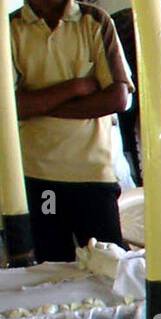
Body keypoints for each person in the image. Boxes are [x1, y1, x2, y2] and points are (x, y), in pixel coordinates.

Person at [9, 0, 133, 263]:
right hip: (40, 176)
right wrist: (75, 88)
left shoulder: (94, 21)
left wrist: (40, 106)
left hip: (93, 174)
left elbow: (118, 98)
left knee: (108, 267)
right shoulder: (10, 27)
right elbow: (8, 107)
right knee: (51, 268)